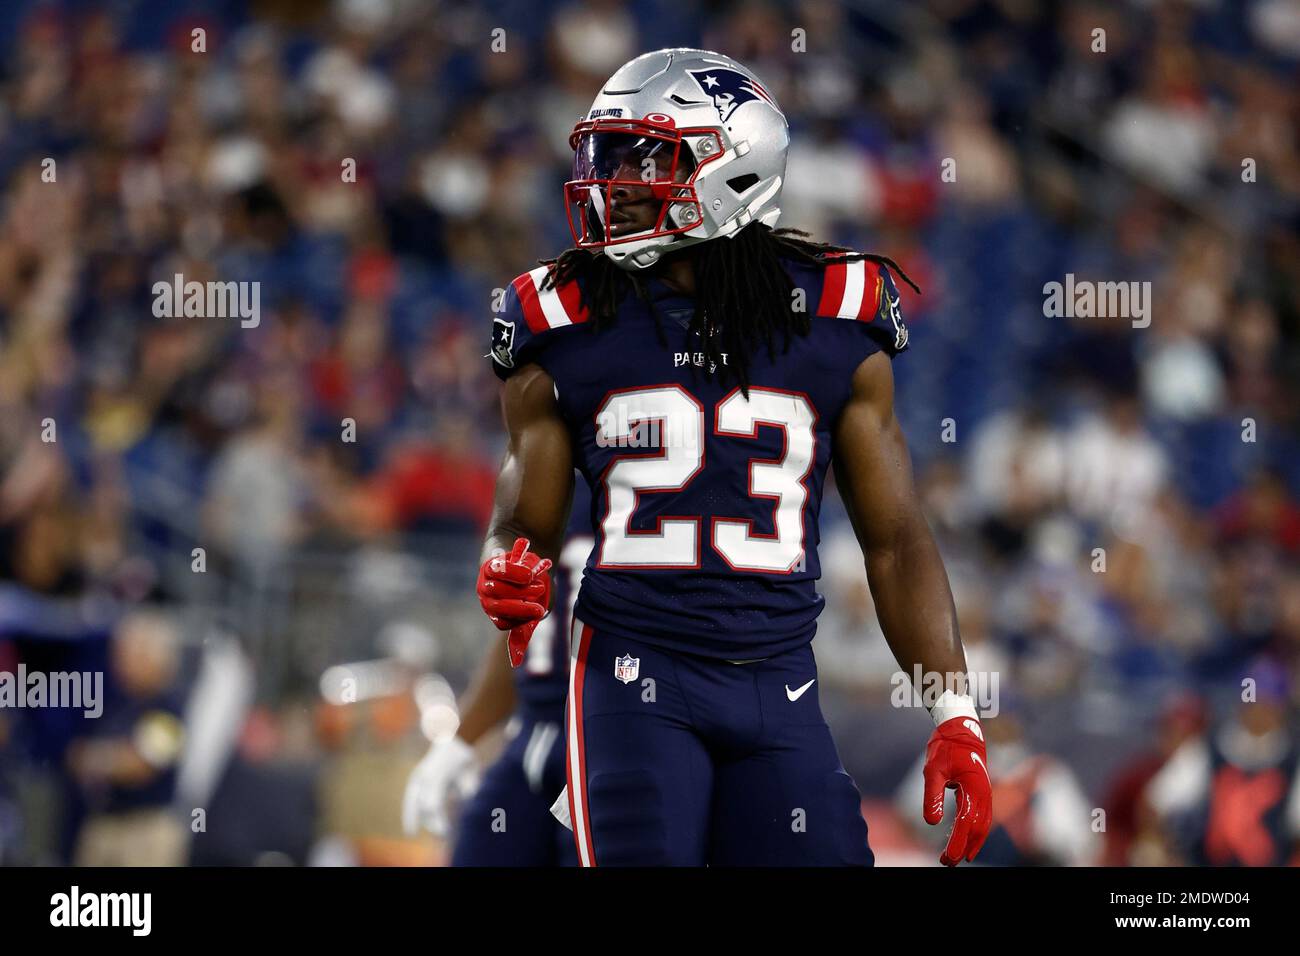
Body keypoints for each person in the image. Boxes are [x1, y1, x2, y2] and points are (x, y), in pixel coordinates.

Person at [475, 48, 990, 866]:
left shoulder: (833, 312)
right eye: (608, 156)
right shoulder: (560, 315)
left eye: (645, 158)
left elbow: (894, 539)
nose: (613, 181)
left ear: (733, 170)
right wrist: (506, 560)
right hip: (629, 677)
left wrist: (954, 712)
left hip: (780, 684)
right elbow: (525, 517)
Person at [402, 486, 591, 866]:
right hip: (532, 736)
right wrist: (460, 740)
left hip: (615, 735)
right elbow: (524, 630)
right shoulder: (555, 473)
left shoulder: (640, 480)